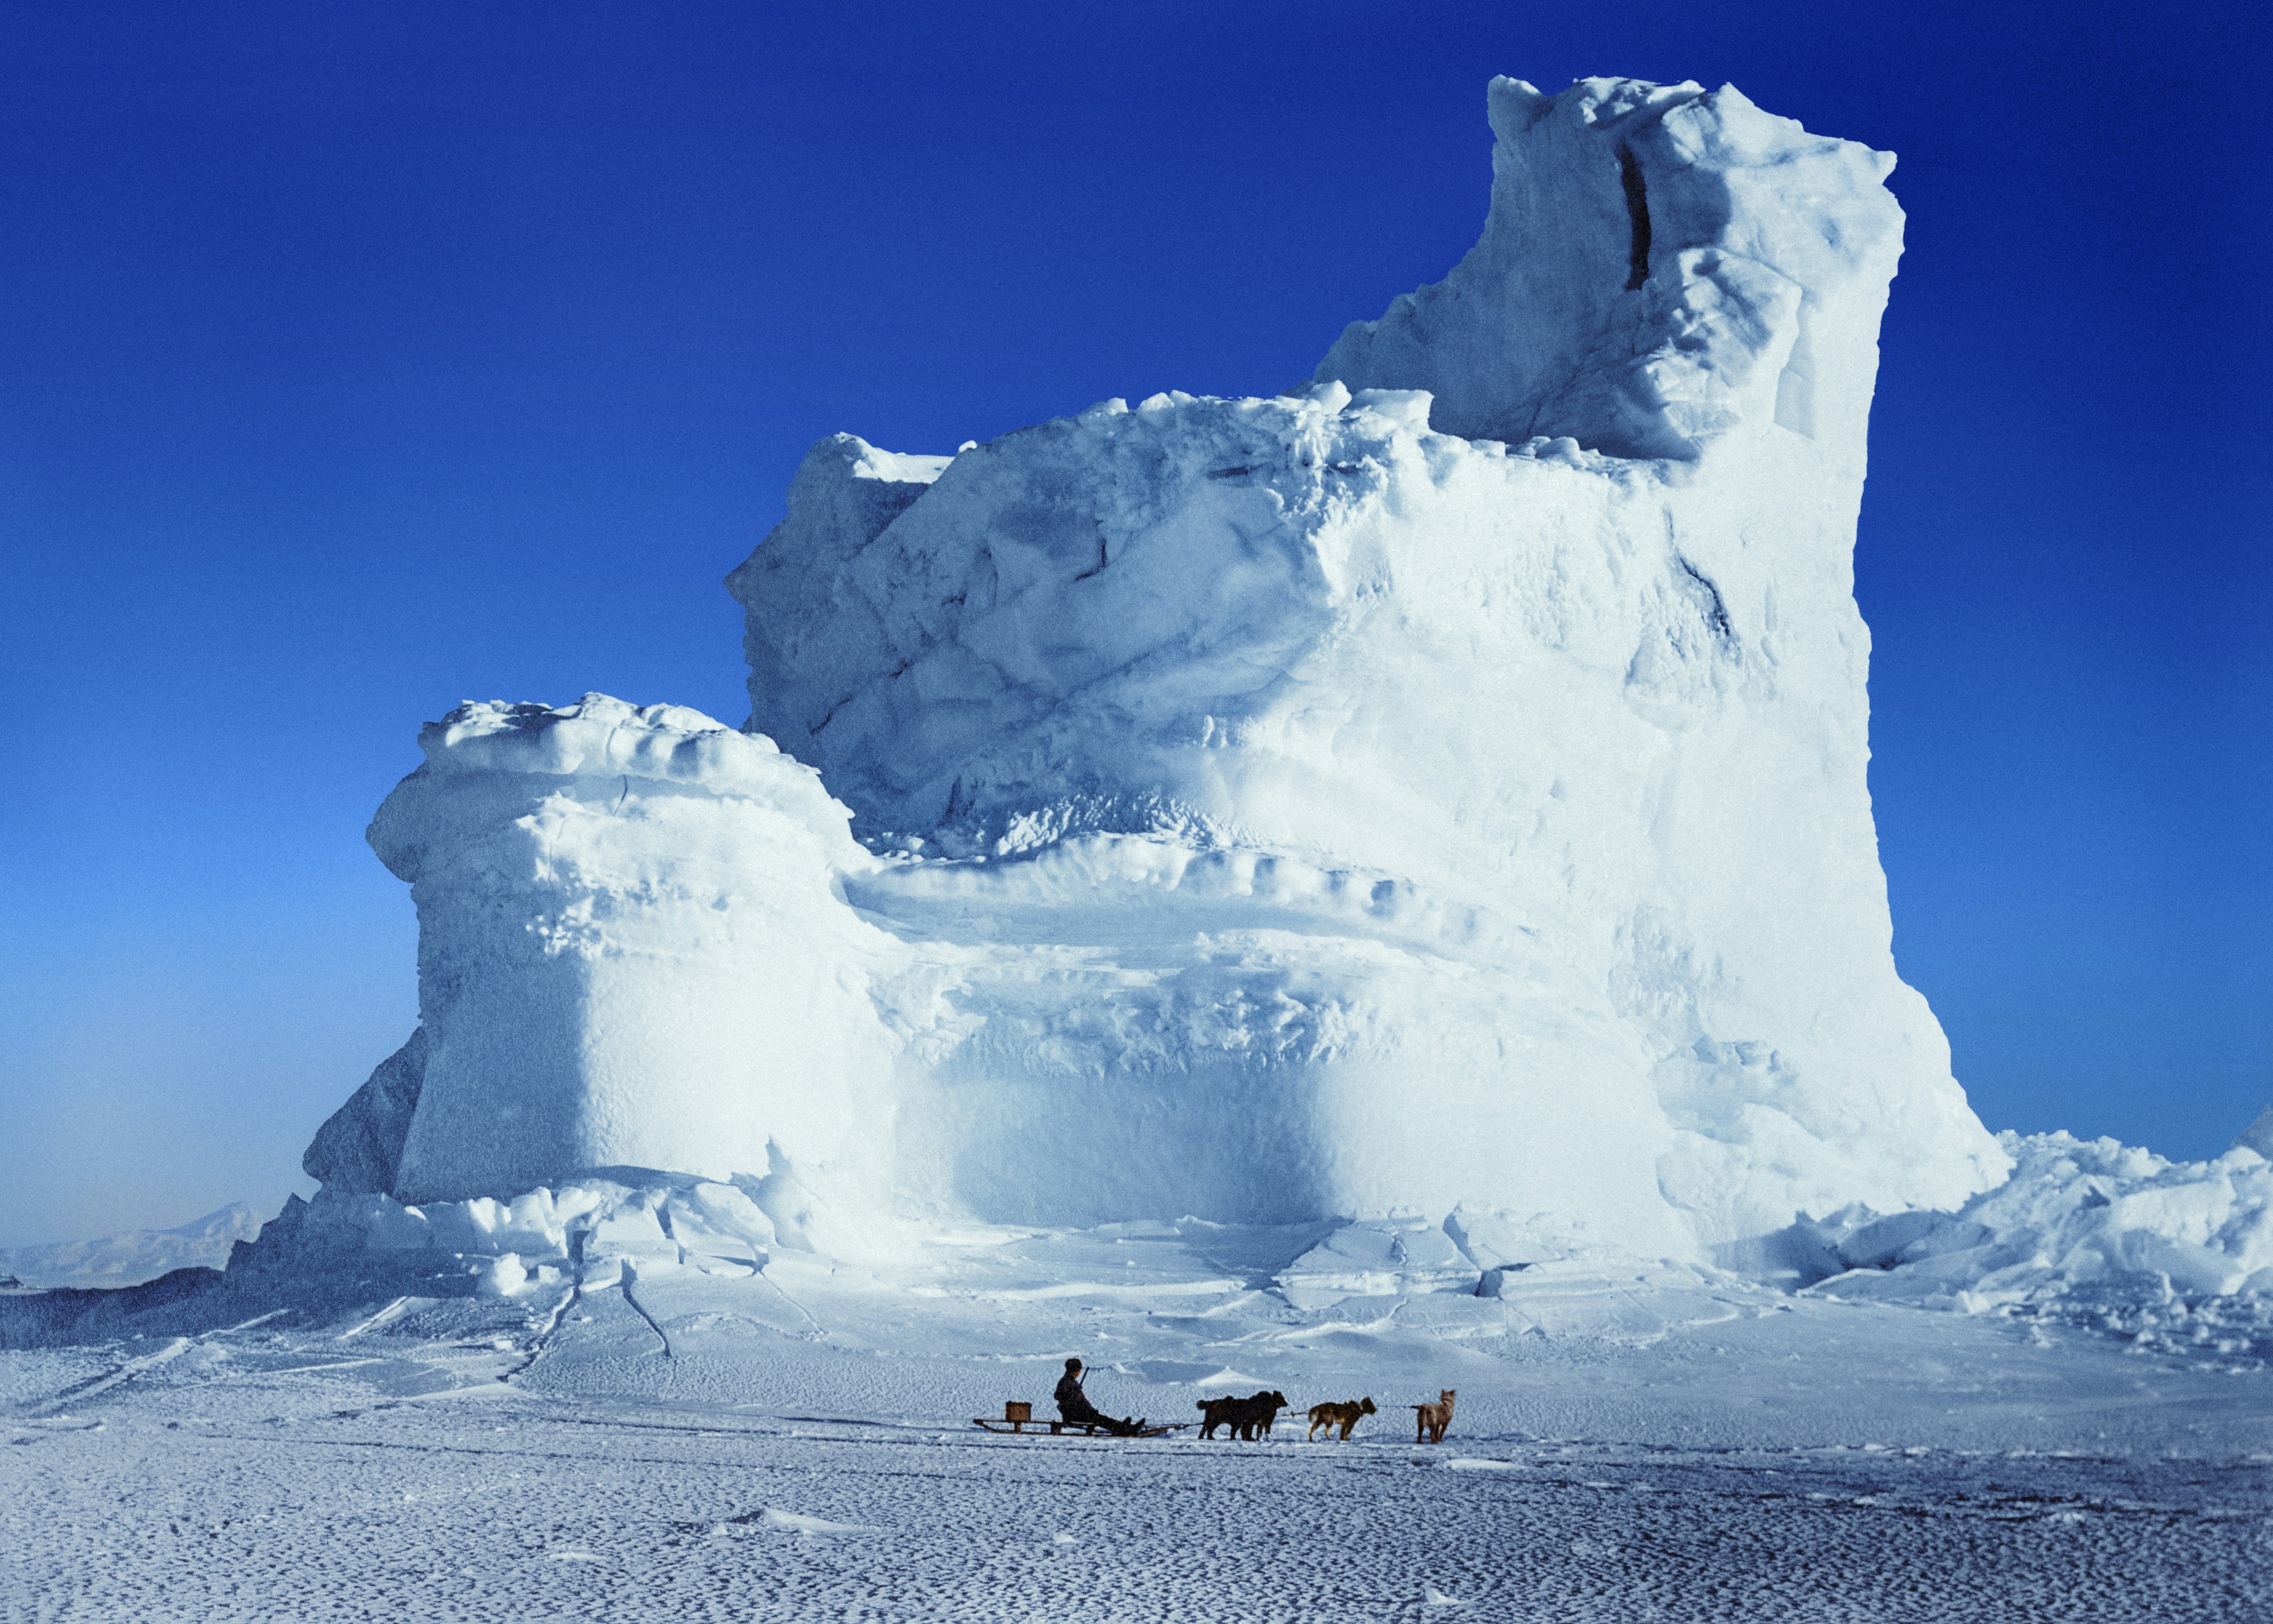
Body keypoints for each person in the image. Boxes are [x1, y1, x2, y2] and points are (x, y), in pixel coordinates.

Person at [1052, 1358, 1146, 1436]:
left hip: (1082, 1413)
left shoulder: (1071, 1382)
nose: (1080, 1372)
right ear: (1073, 1371)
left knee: (1102, 1419)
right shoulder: (1065, 1382)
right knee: (1101, 1420)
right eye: (1078, 1370)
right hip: (1075, 1415)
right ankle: (1126, 1430)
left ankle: (1125, 1427)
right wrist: (1073, 1394)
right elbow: (1059, 1397)